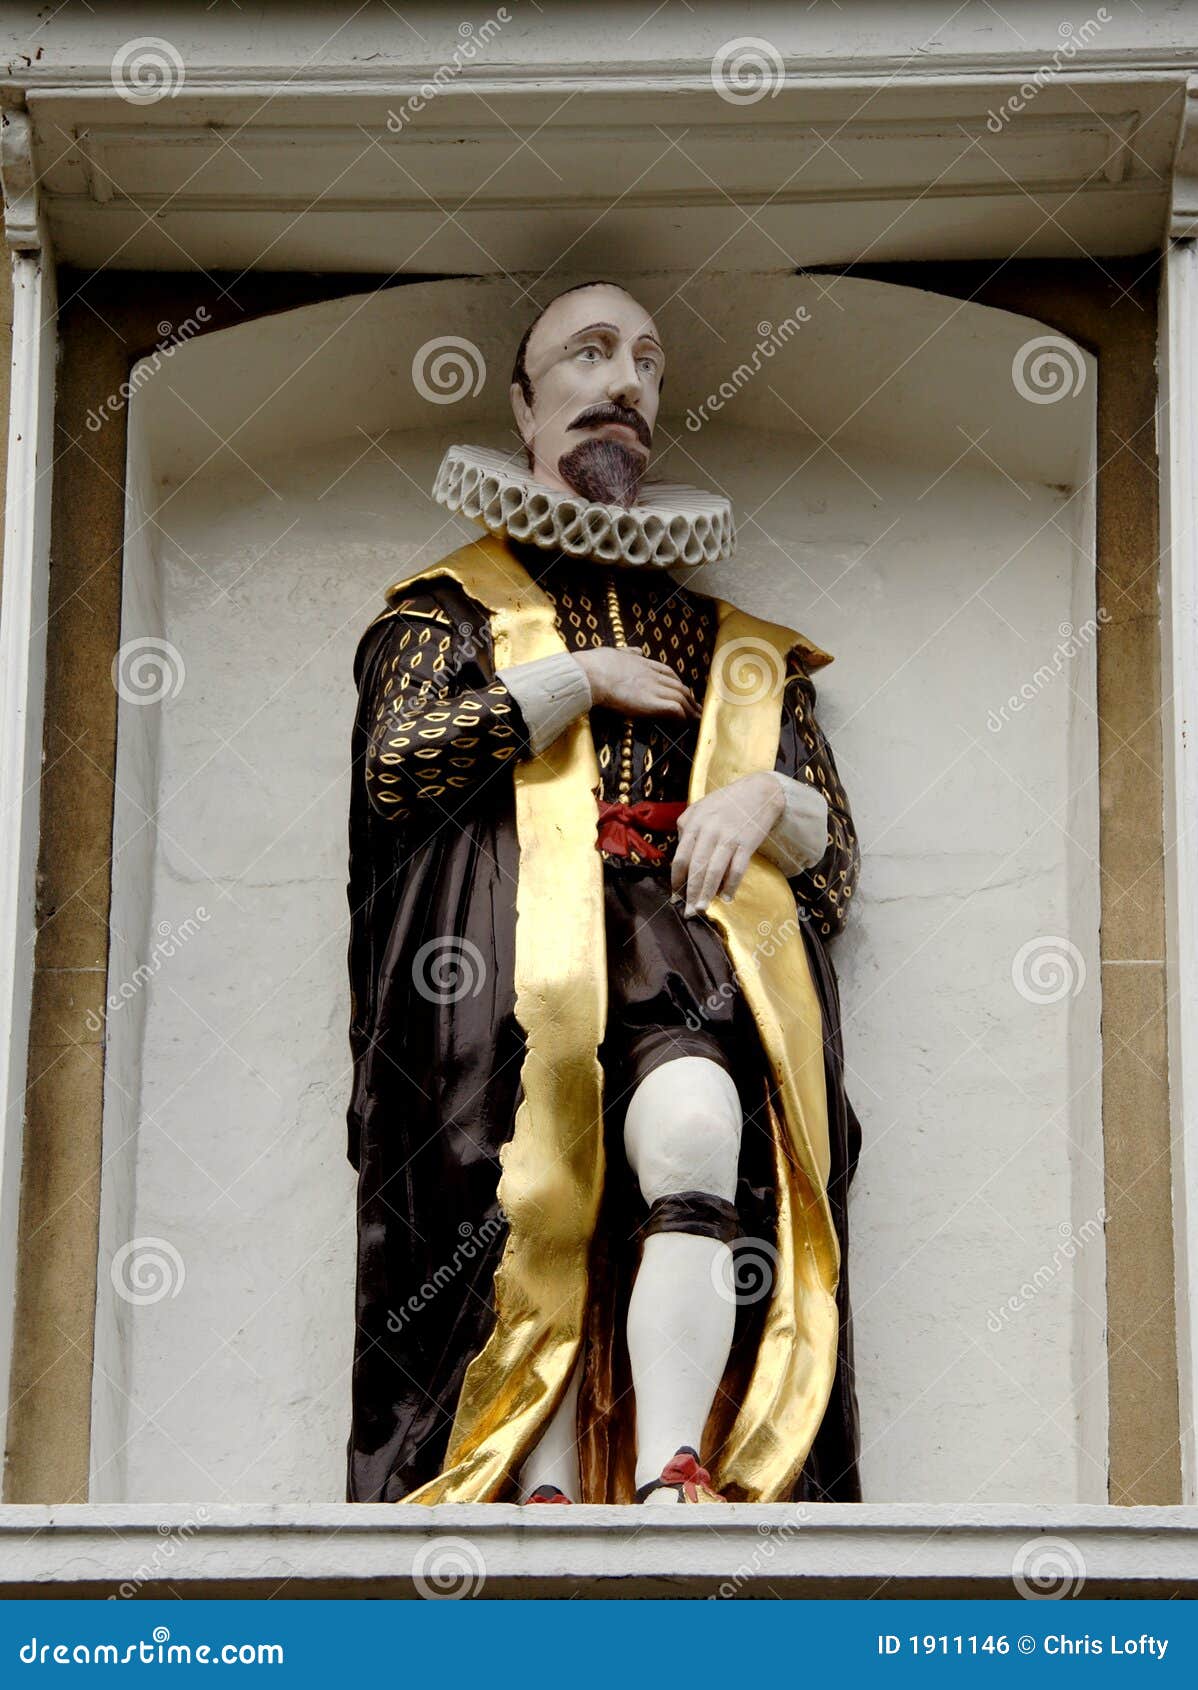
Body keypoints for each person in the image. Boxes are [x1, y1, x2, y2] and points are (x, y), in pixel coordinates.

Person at [344, 281, 862, 1506]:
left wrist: (758, 807)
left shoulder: (731, 645)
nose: (622, 380)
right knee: (530, 1182)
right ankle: (532, 1468)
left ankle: (674, 1458)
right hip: (508, 963)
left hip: (678, 944)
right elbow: (396, 768)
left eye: (644, 359)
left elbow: (831, 865)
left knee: (693, 1134)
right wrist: (569, 678)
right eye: (586, 355)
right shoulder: (447, 611)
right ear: (526, 406)